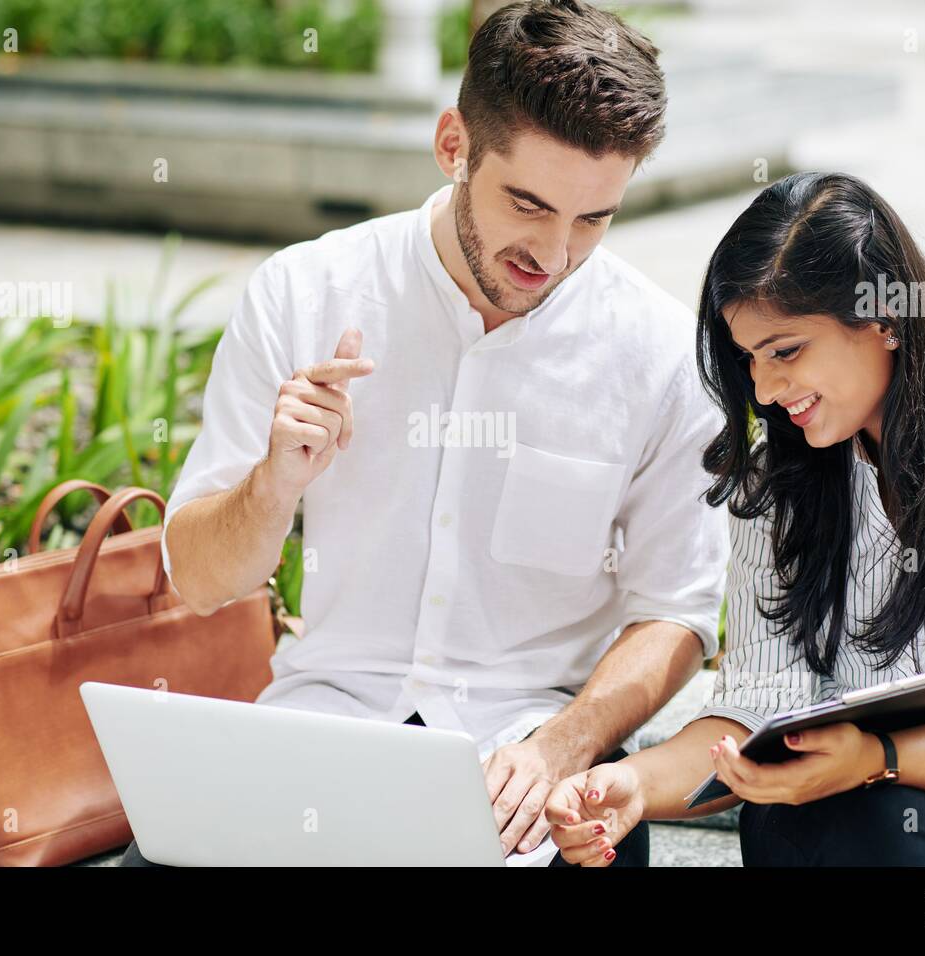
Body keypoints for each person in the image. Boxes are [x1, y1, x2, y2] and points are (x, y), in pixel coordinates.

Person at [121, 0, 730, 867]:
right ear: (454, 145)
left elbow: (674, 611)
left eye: (593, 218)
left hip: (528, 753)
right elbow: (200, 580)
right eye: (528, 203)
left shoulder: (664, 356)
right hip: (319, 729)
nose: (554, 254)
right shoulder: (303, 293)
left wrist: (566, 743)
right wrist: (272, 484)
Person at [545, 171, 925, 866]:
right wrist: (631, 782)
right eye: (749, 358)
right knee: (884, 839)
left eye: (786, 351)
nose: (764, 388)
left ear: (888, 320)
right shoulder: (778, 476)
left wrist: (879, 754)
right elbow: (754, 706)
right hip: (840, 805)